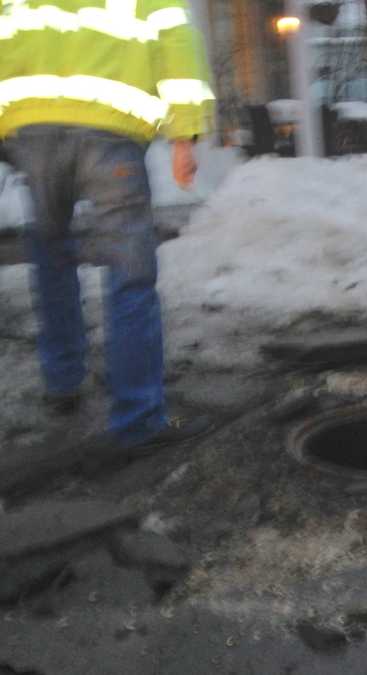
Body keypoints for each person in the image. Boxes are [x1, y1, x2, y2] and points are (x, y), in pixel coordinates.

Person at [0, 0, 216, 452]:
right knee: (130, 272)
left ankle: (62, 380)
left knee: (51, 256)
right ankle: (137, 418)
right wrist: (185, 135)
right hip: (109, 132)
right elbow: (176, 45)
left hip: (33, 132)